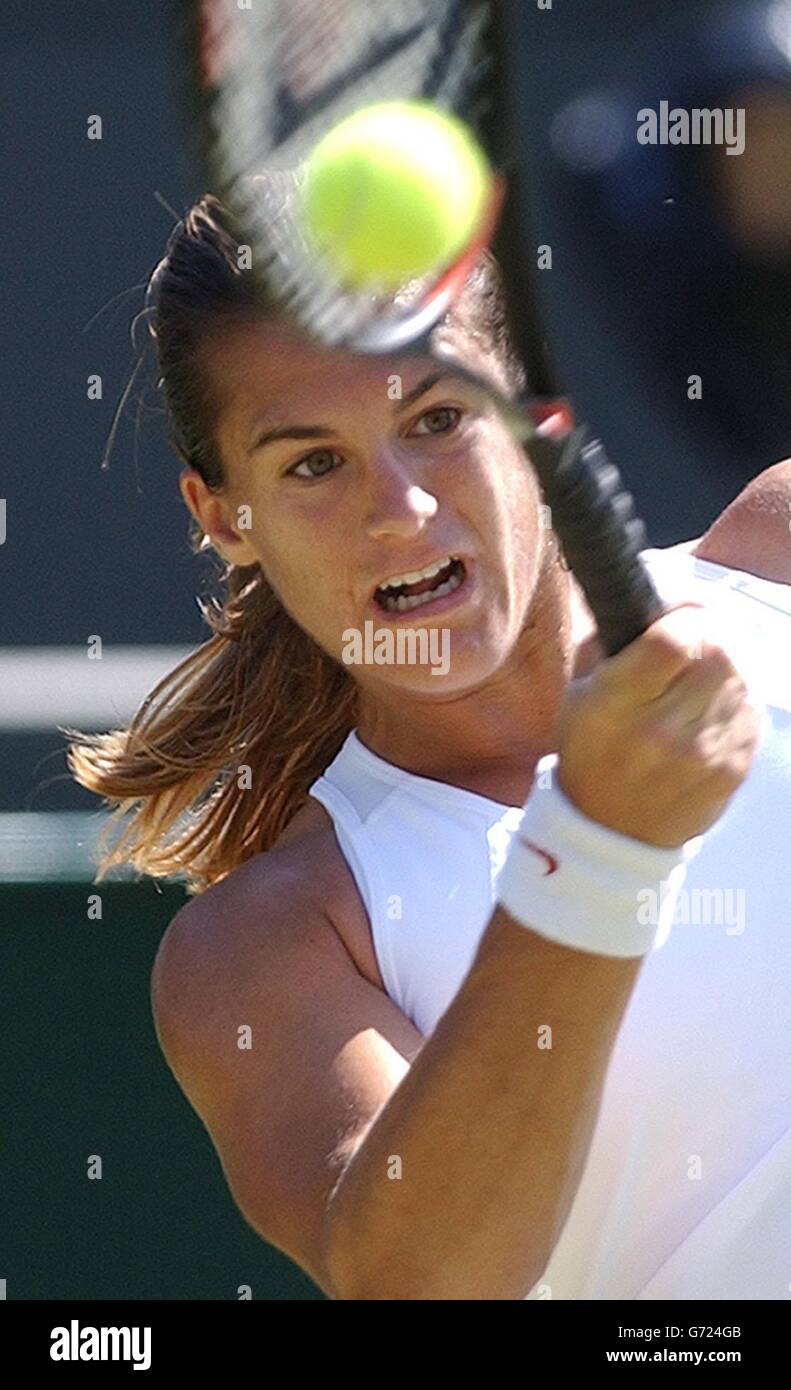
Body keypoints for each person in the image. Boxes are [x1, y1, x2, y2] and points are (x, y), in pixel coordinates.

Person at [69, 186, 791, 1300]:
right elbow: (423, 1285)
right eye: (311, 463)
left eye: (437, 420)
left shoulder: (774, 563)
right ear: (225, 517)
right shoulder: (264, 949)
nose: (398, 509)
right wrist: (598, 843)